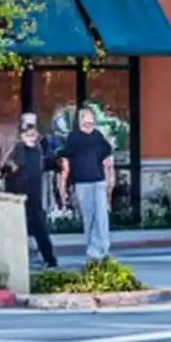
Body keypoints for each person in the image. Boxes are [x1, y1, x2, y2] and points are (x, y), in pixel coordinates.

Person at [1, 114, 58, 268]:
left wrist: (4, 172)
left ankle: (42, 259)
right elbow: (11, 168)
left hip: (26, 195)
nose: (31, 135)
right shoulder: (29, 150)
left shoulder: (31, 150)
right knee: (34, 229)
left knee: (29, 229)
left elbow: (11, 168)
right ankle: (46, 259)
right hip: (25, 195)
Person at [58, 106, 115, 260]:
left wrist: (110, 181)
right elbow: (66, 163)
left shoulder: (98, 137)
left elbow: (107, 160)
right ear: (80, 120)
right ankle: (92, 250)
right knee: (89, 217)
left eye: (91, 118)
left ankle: (103, 249)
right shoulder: (73, 138)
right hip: (82, 183)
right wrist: (64, 186)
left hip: (98, 181)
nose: (89, 121)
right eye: (86, 118)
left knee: (101, 216)